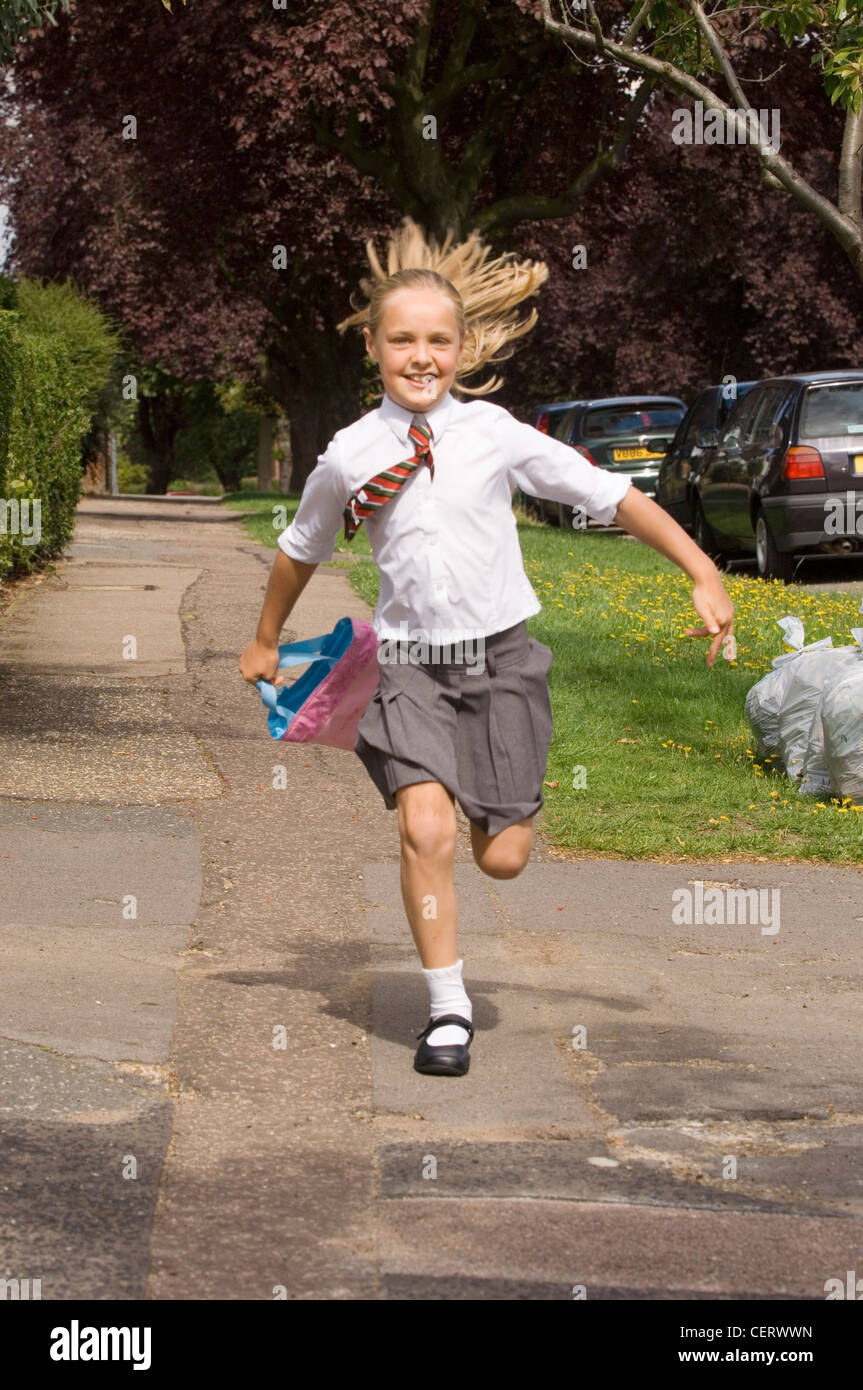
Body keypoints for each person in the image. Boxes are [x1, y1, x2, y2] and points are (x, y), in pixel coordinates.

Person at [239, 218, 734, 1078]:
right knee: (422, 827)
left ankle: (494, 799)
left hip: (501, 662)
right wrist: (262, 637)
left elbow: (611, 495)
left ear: (463, 347)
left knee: (500, 858)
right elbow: (300, 548)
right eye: (402, 340)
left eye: (437, 340)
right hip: (407, 668)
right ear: (373, 347)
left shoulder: (495, 434)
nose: (420, 356)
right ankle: (446, 1010)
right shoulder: (351, 454)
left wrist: (700, 569)